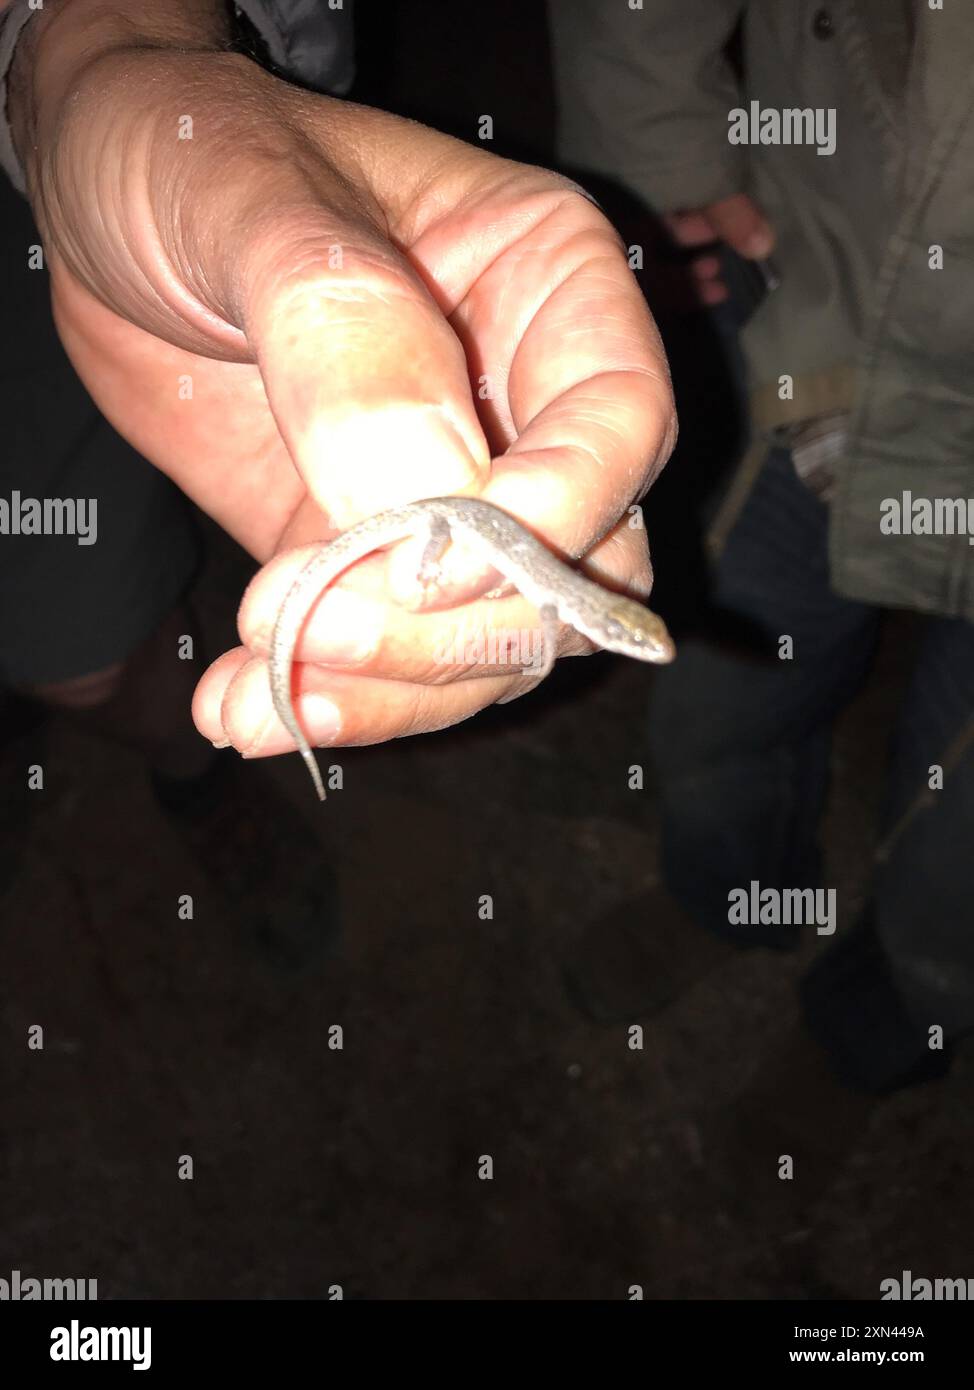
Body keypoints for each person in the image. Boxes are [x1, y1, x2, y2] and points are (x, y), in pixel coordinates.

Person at [0, 0, 672, 770]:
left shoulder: (565, 592)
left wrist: (74, 61)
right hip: (87, 180)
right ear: (611, 622)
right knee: (70, 648)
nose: (640, 647)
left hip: (77, 149)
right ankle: (183, 767)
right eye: (629, 636)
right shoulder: (564, 590)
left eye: (635, 639)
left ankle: (191, 771)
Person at [550, 0, 974, 1097]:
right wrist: (652, 157)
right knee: (719, 695)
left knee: (959, 859)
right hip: (823, 315)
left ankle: (878, 1025)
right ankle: (727, 894)